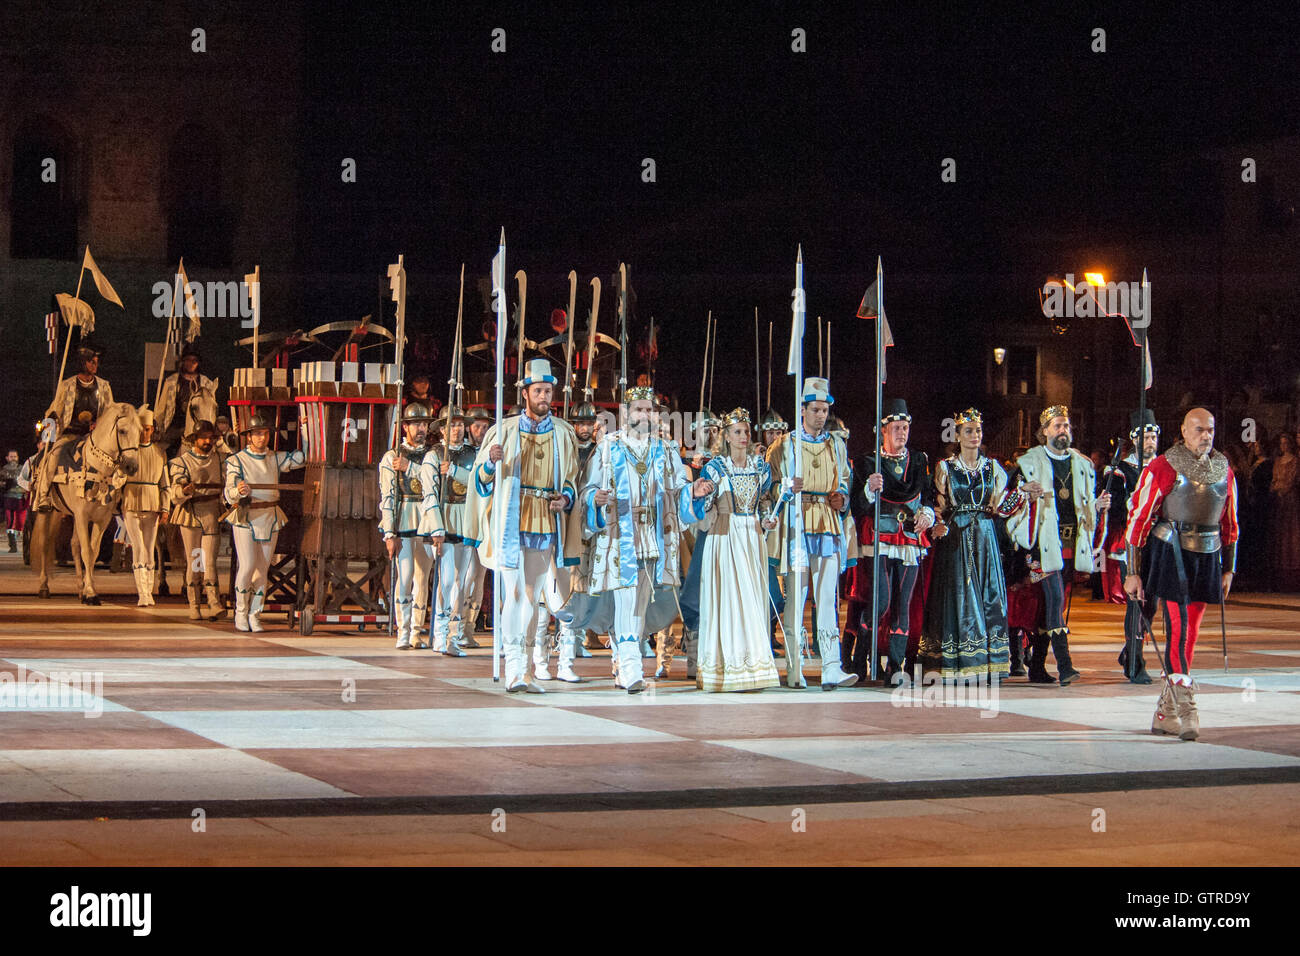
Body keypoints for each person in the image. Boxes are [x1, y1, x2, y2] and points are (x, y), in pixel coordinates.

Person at [463, 359, 582, 693]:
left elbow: (572, 477)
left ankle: (526, 669)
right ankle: (515, 667)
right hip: (512, 518)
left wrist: (565, 499)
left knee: (532, 596)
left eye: (548, 391)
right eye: (538, 390)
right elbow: (480, 481)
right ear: (526, 392)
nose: (544, 396)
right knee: (517, 594)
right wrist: (490, 461)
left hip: (545, 518)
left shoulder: (562, 431)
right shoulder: (504, 429)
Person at [1124, 407, 1239, 741]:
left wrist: (1230, 566)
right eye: (1199, 429)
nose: (1206, 435)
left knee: (1191, 631)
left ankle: (1165, 710)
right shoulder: (1163, 465)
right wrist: (1132, 570)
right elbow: (1139, 517)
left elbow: (1231, 521)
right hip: (1171, 550)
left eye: (1210, 429)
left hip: (1208, 552)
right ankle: (1185, 705)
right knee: (1179, 626)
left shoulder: (1223, 468)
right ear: (1184, 431)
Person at [581, 385, 699, 691]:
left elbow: (677, 490)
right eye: (639, 409)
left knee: (641, 601)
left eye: (650, 410)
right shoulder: (608, 446)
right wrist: (596, 498)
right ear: (625, 413)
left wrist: (693, 493)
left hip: (653, 534)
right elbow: (589, 489)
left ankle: (622, 660)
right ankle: (632, 665)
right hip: (620, 533)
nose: (645, 415)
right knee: (626, 598)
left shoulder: (666, 449)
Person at [921, 408, 1028, 681]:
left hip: (984, 534)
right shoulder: (946, 468)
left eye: (978, 431)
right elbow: (939, 505)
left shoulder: (993, 468)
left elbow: (1001, 507)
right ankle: (958, 659)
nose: (974, 435)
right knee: (959, 593)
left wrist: (1022, 495)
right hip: (956, 537)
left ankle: (989, 661)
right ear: (958, 435)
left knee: (987, 593)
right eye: (968, 431)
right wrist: (938, 524)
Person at [765, 376, 858, 689]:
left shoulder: (837, 445)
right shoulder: (784, 445)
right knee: (796, 599)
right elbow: (768, 486)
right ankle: (794, 668)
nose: (821, 415)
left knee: (828, 599)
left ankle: (832, 666)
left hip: (827, 524)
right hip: (797, 524)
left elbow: (844, 479)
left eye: (825, 409)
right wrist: (784, 488)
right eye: (815, 409)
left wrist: (841, 497)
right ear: (802, 409)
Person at [1007, 405, 1109, 685]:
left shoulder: (1082, 464)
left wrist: (1098, 507)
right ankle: (1065, 665)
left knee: (1048, 606)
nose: (1063, 430)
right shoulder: (1028, 463)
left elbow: (1085, 507)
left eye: (1066, 426)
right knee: (1054, 599)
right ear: (1044, 431)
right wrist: (1023, 495)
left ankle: (1038, 666)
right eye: (1057, 426)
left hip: (1069, 547)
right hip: (1037, 550)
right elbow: (1006, 506)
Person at [685, 408, 784, 691]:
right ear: (727, 436)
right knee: (728, 601)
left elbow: (764, 502)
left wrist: (768, 518)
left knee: (752, 600)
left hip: (752, 535)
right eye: (737, 432)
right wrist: (702, 496)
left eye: (746, 431)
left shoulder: (760, 468)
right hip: (725, 537)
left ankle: (753, 666)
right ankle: (727, 668)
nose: (743, 437)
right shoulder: (716, 468)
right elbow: (703, 508)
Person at [852, 398, 936, 685]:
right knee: (881, 600)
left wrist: (927, 515)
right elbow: (857, 505)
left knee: (903, 605)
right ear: (883, 431)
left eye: (905, 427)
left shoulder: (920, 460)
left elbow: (928, 496)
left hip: (911, 538)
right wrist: (869, 489)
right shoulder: (867, 462)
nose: (902, 433)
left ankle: (896, 667)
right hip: (880, 536)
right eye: (896, 428)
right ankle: (860, 657)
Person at [224, 413, 307, 632]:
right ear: (249, 436)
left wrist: (306, 431)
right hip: (246, 517)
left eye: (265, 433)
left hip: (269, 515)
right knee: (248, 566)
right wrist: (238, 491)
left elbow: (301, 458)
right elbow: (229, 492)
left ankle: (255, 614)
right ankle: (240, 613)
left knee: (262, 569)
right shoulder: (237, 460)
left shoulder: (274, 458)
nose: (262, 437)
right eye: (258, 433)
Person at [1101, 410, 1160, 683]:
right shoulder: (1121, 470)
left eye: (1154, 436)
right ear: (1135, 439)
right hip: (1131, 541)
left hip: (1157, 543)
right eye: (1146, 437)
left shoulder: (1162, 467)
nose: (1151, 442)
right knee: (1136, 603)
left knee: (1152, 604)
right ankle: (1135, 663)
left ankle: (1129, 652)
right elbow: (1112, 508)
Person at [378, 403, 441, 649]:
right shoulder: (391, 456)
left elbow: (432, 482)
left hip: (426, 519)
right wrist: (389, 532)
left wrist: (410, 468)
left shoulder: (433, 454)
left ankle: (416, 631)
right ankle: (402, 631)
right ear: (405, 426)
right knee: (404, 578)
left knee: (423, 578)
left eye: (424, 424)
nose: (421, 429)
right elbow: (387, 495)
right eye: (416, 424)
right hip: (404, 517)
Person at [34, 346, 115, 511]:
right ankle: (43, 496)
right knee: (53, 456)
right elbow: (53, 409)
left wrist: (99, 423)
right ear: (82, 363)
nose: (94, 366)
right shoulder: (67, 385)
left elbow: (110, 411)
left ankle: (114, 498)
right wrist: (52, 417)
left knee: (116, 457)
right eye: (91, 362)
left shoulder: (104, 386)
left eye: (96, 363)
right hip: (70, 434)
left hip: (93, 437)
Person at [423, 405, 474, 656]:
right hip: (444, 520)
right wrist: (437, 528)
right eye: (452, 425)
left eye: (460, 424)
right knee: (446, 581)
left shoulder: (472, 453)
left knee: (461, 582)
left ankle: (454, 634)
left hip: (465, 520)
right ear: (443, 429)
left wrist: (454, 471)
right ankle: (440, 633)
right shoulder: (433, 455)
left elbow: (479, 482)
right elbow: (429, 493)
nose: (457, 429)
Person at [168, 419, 228, 620]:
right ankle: (194, 604)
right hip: (191, 513)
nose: (207, 441)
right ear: (194, 439)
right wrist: (184, 490)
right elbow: (175, 490)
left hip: (212, 512)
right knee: (196, 561)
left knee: (210, 561)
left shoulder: (221, 460)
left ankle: (213, 602)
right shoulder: (182, 461)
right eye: (203, 438)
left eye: (210, 438)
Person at [120, 407, 169, 605]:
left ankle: (149, 591)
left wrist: (165, 507)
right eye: (142, 429)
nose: (144, 433)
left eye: (148, 429)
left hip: (153, 502)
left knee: (149, 548)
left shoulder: (159, 453)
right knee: (138, 547)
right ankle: (142, 593)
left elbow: (165, 484)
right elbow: (118, 478)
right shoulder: (129, 453)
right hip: (132, 502)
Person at [157, 346, 217, 456]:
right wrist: (158, 425)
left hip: (198, 427)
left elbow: (211, 409)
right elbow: (161, 407)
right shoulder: (172, 381)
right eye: (188, 360)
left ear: (198, 363)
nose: (191, 363)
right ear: (183, 362)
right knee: (163, 453)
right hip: (175, 426)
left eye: (194, 361)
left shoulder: (207, 383)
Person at [1269, 433, 1300, 592]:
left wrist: (1284, 489)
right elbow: (1274, 480)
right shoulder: (1277, 461)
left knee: (1292, 535)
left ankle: (1293, 572)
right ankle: (1281, 571)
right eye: (1281, 443)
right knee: (1281, 536)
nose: (1284, 446)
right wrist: (1276, 489)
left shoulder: (1295, 461)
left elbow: (1292, 480)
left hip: (1291, 500)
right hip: (1280, 501)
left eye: (1286, 443)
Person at [3, 450, 26, 553]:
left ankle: (25, 545)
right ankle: (13, 545)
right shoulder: (3, 471)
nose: (13, 458)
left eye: (15, 456)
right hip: (9, 499)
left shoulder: (23, 469)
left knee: (21, 523)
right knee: (11, 522)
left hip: (21, 499)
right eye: (11, 456)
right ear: (7, 458)